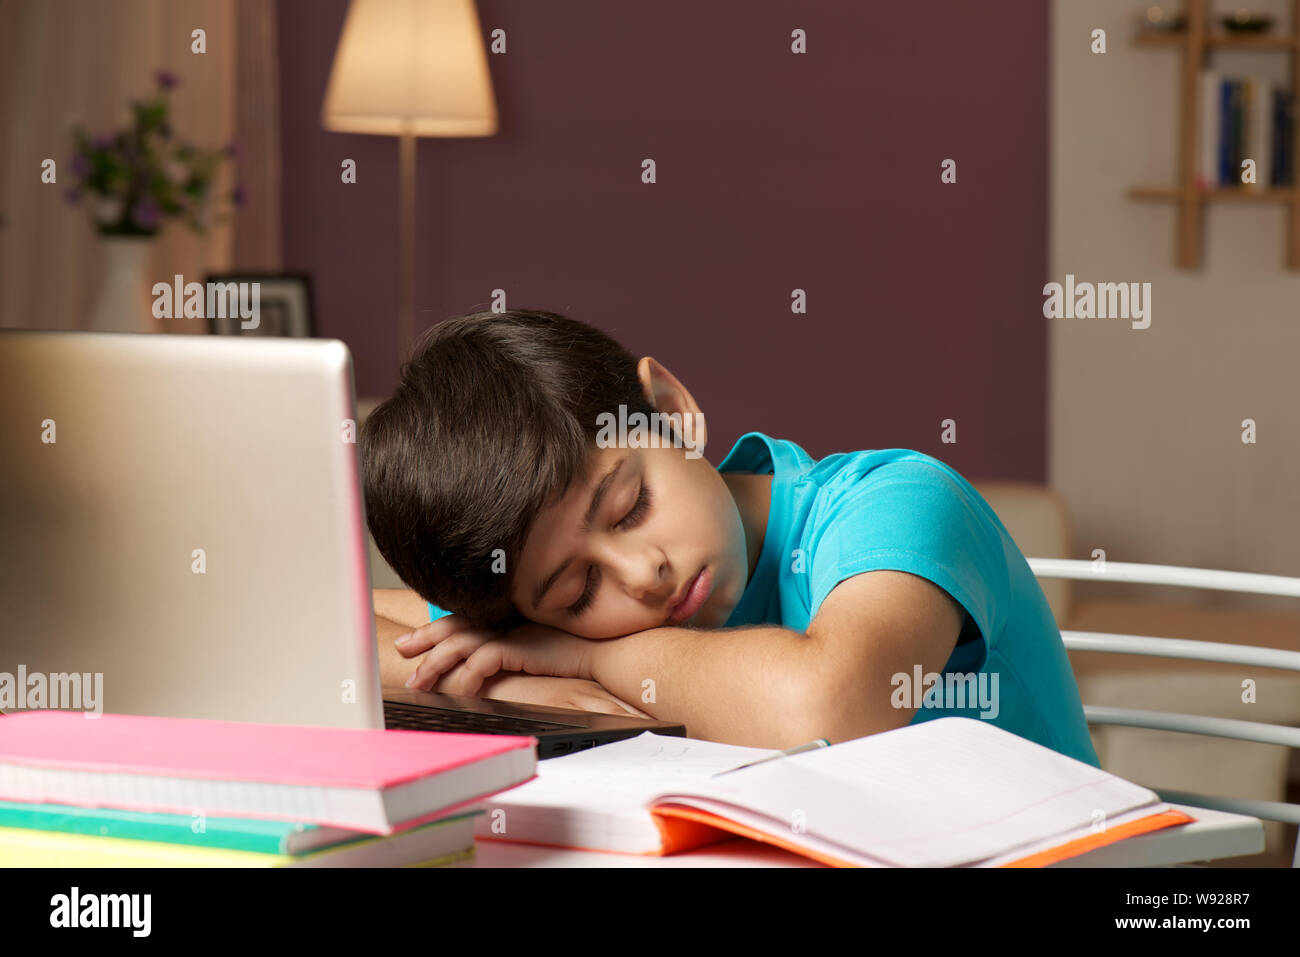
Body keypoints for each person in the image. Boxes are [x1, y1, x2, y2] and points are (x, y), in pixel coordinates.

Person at [361, 309, 1099, 763]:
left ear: (672, 409)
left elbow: (829, 711)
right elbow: (345, 637)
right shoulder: (547, 615)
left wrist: (583, 656)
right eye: (580, 588)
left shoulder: (900, 502)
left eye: (630, 506)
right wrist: (528, 673)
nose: (641, 574)